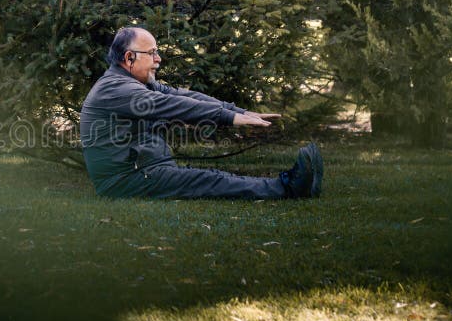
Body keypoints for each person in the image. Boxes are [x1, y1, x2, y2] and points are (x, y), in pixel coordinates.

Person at [79, 26, 323, 199]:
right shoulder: (117, 89)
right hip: (125, 181)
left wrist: (239, 110)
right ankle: (289, 188)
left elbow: (183, 96)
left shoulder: (133, 81)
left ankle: (292, 185)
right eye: (152, 52)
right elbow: (176, 107)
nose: (158, 58)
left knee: (207, 178)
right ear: (129, 57)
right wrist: (229, 118)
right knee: (208, 180)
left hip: (142, 169)